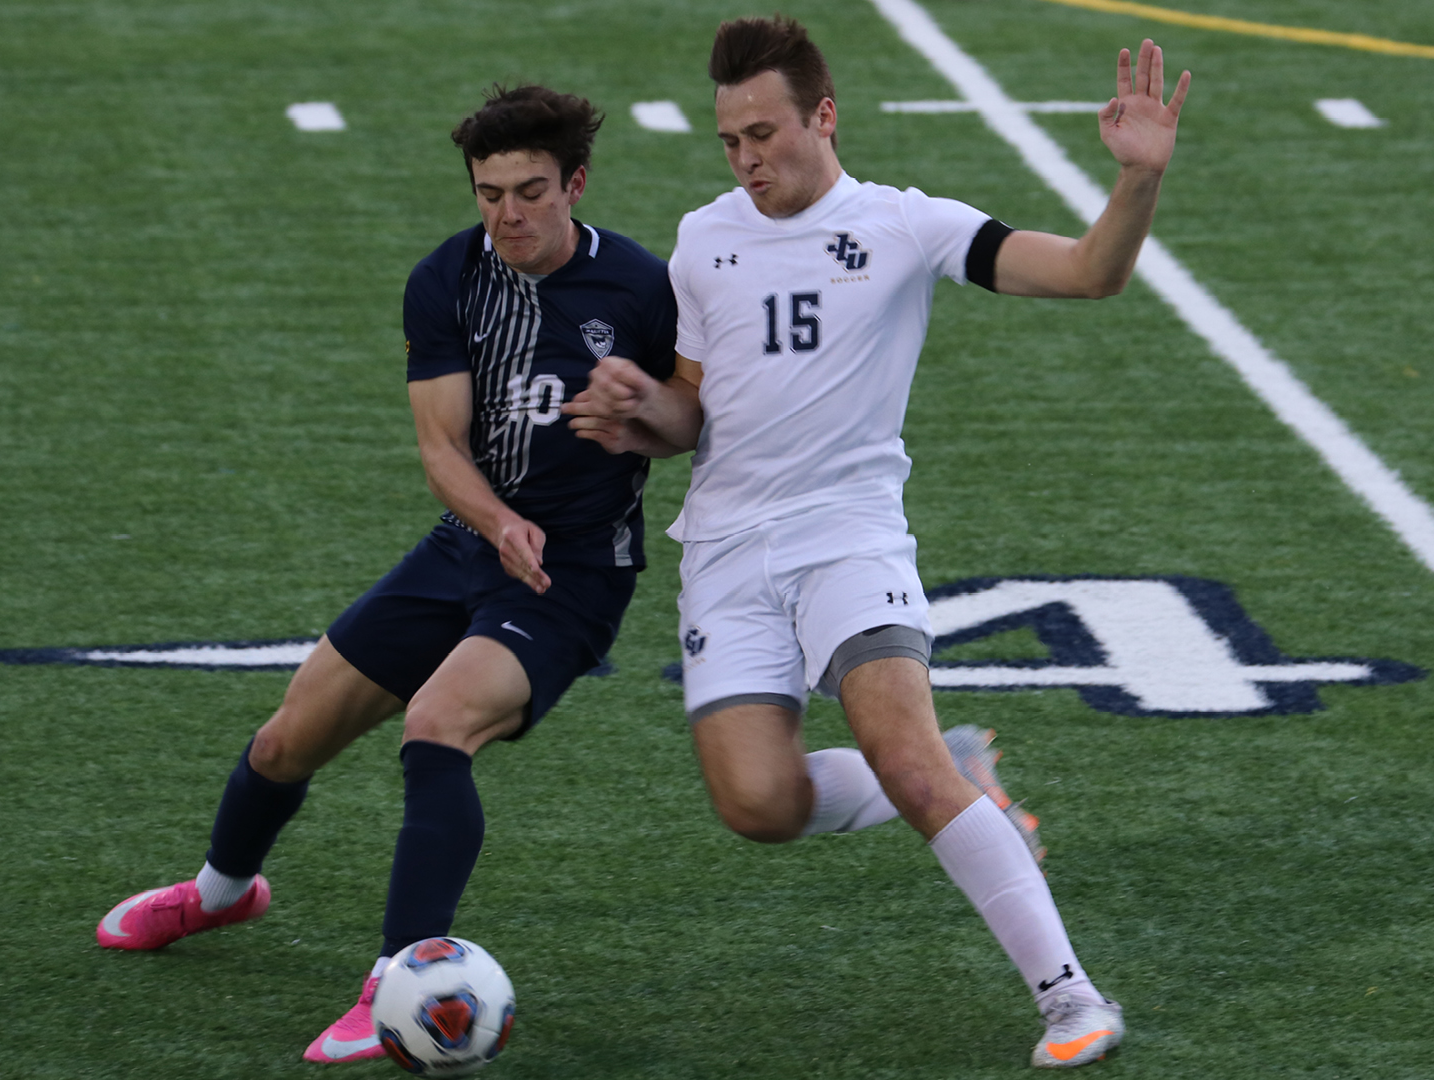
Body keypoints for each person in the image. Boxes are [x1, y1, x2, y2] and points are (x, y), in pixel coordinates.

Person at [563, 15, 1190, 1069]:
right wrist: (637, 409)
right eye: (730, 141)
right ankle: (961, 775)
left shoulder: (907, 225)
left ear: (824, 115)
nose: (746, 159)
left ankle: (1072, 999)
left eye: (764, 134)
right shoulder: (703, 239)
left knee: (906, 760)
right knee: (757, 804)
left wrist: (1138, 177)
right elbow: (690, 416)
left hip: (848, 537)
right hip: (724, 552)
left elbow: (1091, 272)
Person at [95, 84, 677, 1064]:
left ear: (575, 183)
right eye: (489, 193)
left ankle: (397, 980)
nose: (508, 214)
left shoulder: (642, 287)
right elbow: (440, 446)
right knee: (286, 739)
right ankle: (220, 893)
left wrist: (643, 408)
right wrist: (497, 522)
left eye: (530, 191)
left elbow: (694, 424)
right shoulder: (447, 278)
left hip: (571, 577)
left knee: (438, 725)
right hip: (466, 545)